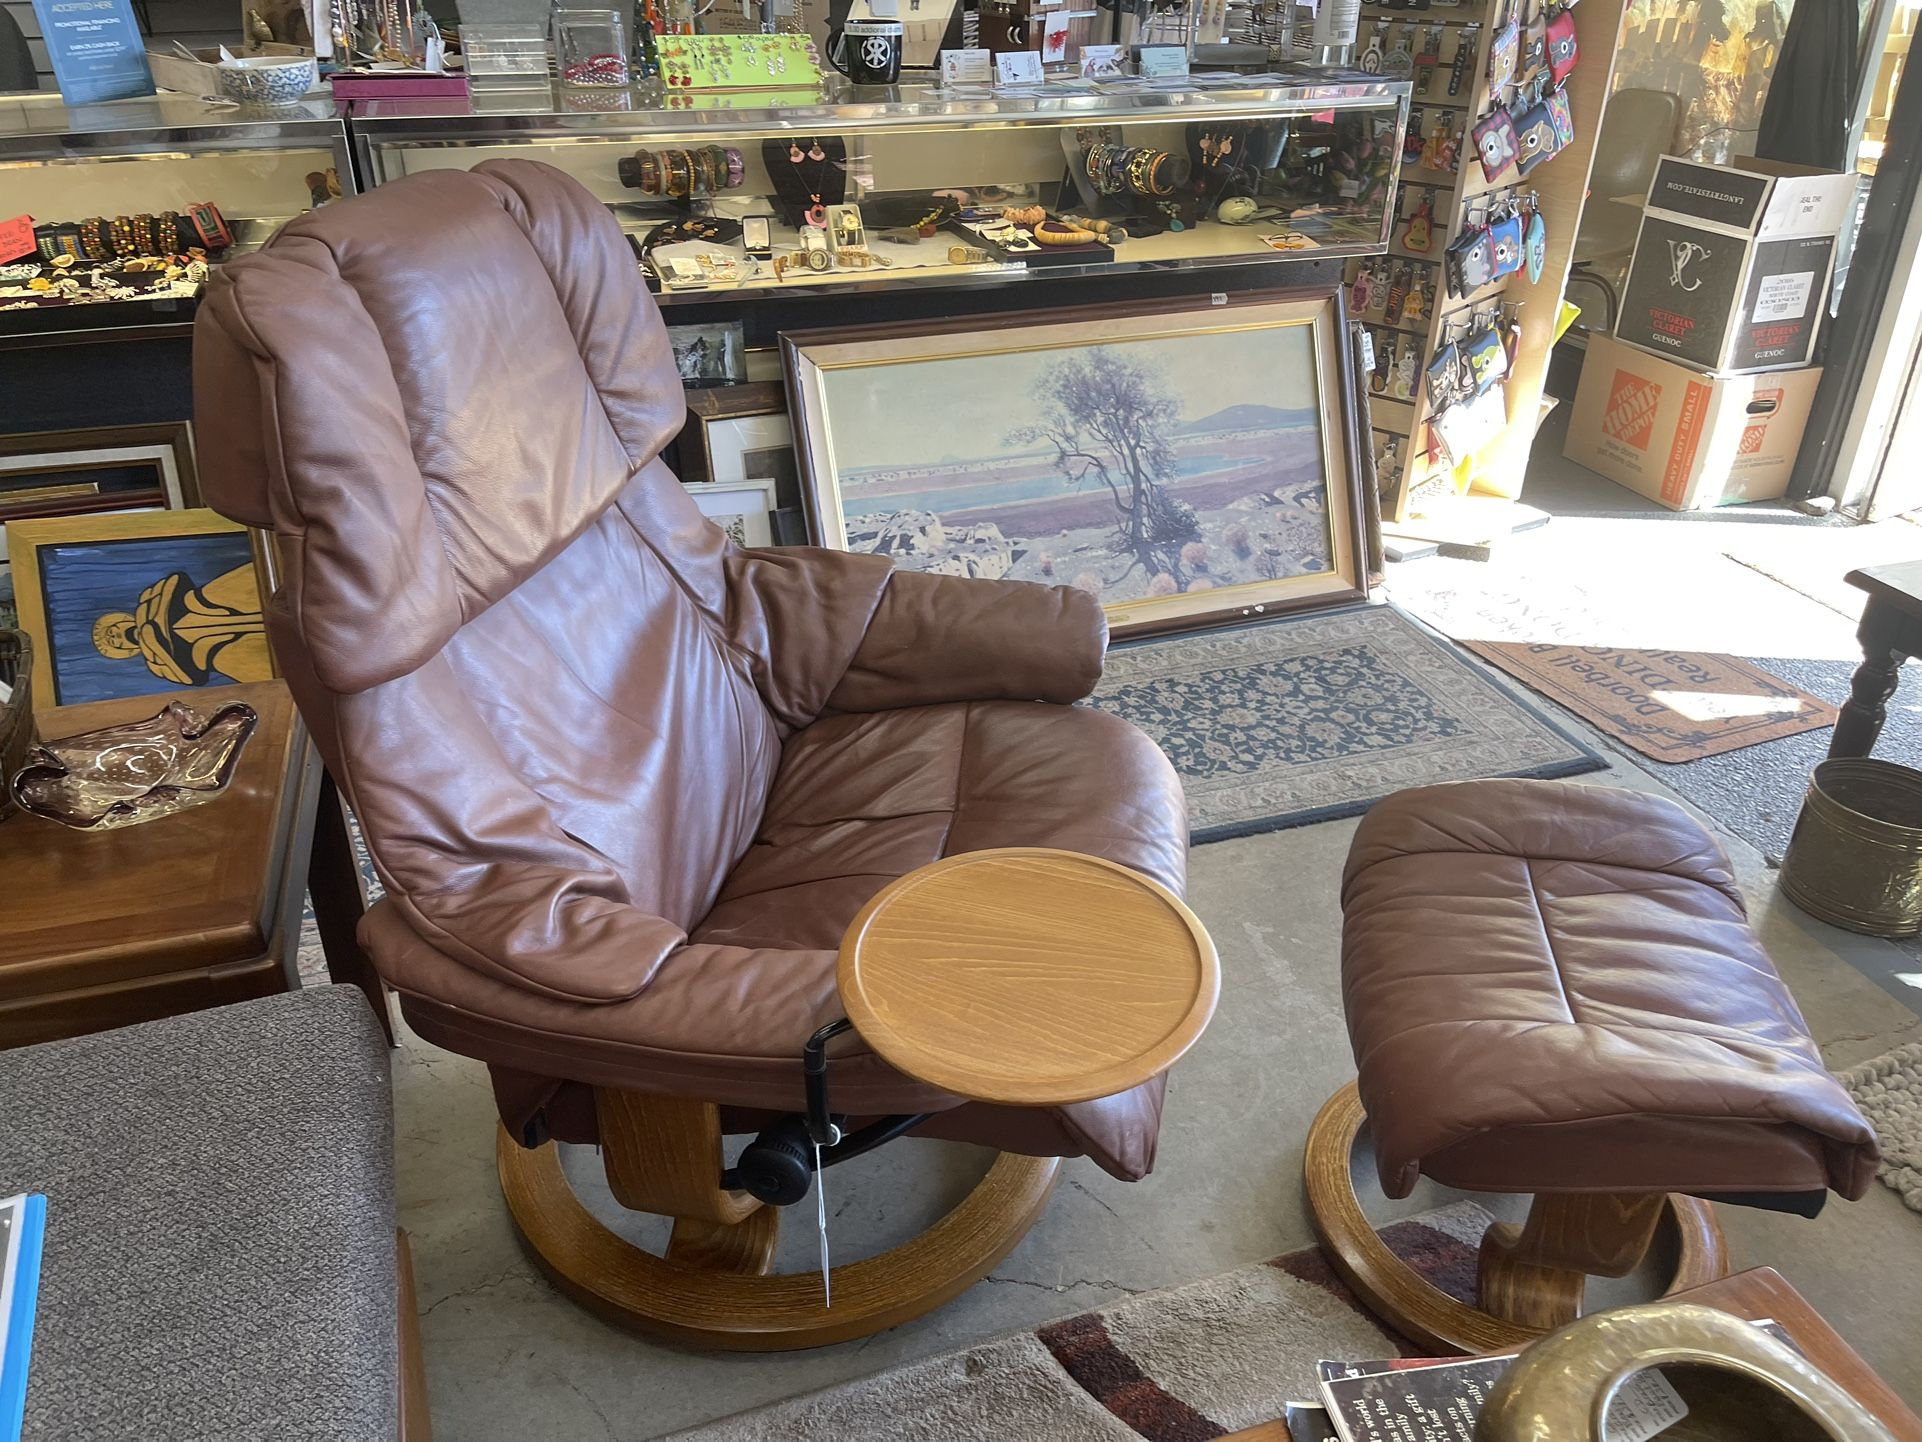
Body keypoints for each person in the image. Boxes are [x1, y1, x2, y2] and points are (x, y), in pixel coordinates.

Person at [91, 566, 271, 687]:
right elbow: (190, 678)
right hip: (224, 654)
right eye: (116, 643)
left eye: (113, 632)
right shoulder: (155, 664)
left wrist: (153, 634)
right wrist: (155, 645)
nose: (118, 637)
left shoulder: (148, 599)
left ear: (122, 620)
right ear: (126, 650)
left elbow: (176, 580)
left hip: (214, 600)